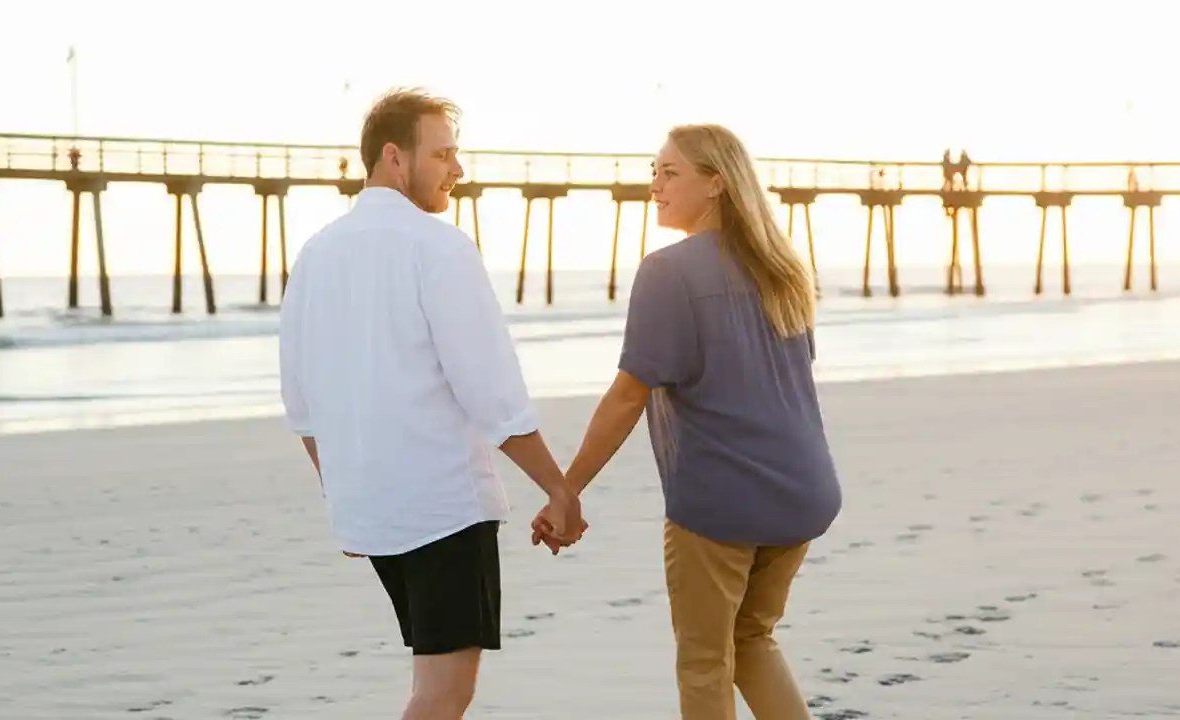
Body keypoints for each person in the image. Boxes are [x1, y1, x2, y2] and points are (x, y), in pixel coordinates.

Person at [278, 87, 585, 720]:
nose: (458, 169)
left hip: (373, 511)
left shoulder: (315, 254)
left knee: (435, 682)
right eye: (443, 153)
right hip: (443, 509)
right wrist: (558, 488)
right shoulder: (439, 247)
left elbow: (302, 402)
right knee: (444, 693)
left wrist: (346, 496)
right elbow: (492, 391)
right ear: (395, 157)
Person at [534, 124, 843, 719]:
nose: (655, 185)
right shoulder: (783, 270)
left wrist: (565, 489)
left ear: (716, 183)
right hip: (803, 493)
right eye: (654, 171)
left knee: (704, 661)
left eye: (670, 172)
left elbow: (627, 398)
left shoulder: (668, 271)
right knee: (751, 639)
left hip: (721, 506)